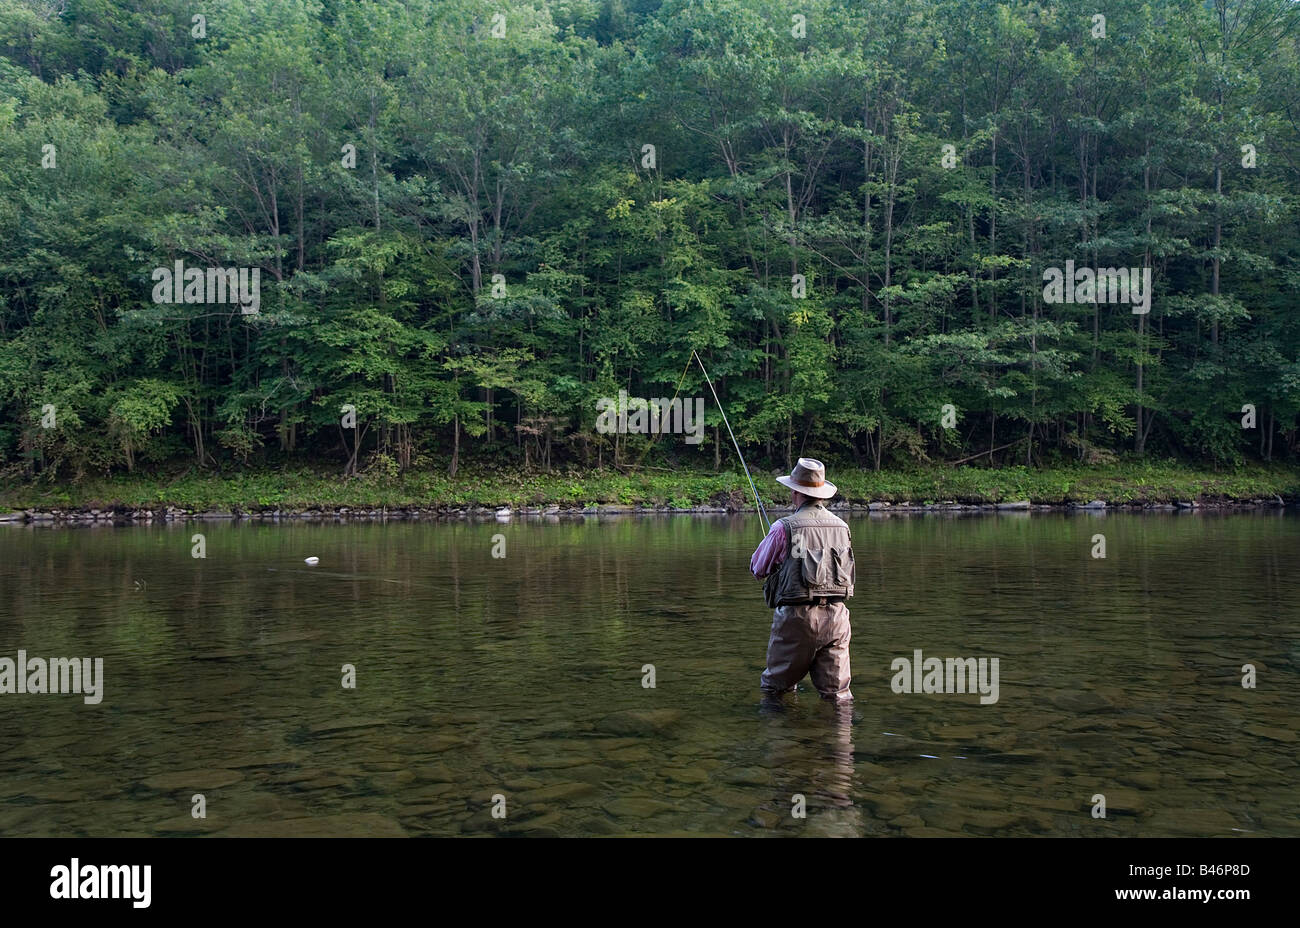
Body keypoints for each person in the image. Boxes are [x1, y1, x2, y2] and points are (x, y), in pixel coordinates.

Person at [749, 458, 855, 703]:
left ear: (796, 492)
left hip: (797, 618)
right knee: (838, 696)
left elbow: (758, 569)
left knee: (776, 689)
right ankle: (840, 738)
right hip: (837, 618)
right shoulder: (842, 527)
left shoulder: (782, 527)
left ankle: (783, 736)